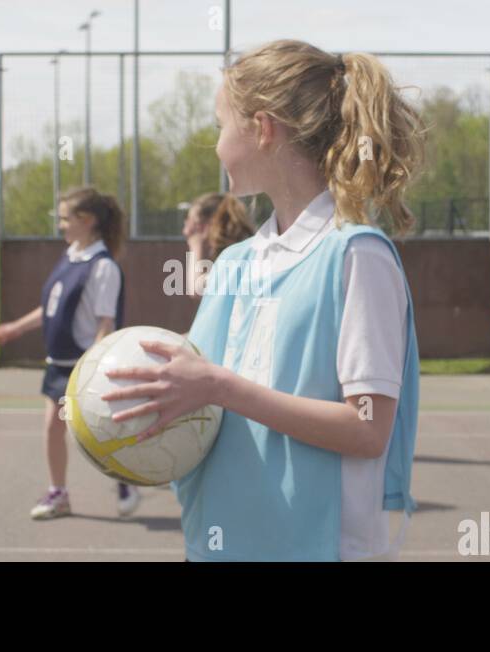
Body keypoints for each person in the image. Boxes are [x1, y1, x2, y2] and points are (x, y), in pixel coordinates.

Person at [103, 40, 423, 561]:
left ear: (263, 128)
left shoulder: (355, 256)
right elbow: (203, 398)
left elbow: (366, 430)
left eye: (219, 127)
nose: (216, 145)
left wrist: (219, 385)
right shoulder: (236, 263)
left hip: (311, 549)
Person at [0, 187, 139, 517]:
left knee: (99, 433)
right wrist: (14, 329)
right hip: (57, 363)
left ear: (87, 221)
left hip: (84, 364)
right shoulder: (70, 255)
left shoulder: (103, 267)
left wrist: (96, 368)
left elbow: (106, 323)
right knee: (53, 428)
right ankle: (59, 493)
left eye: (64, 218)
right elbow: (50, 308)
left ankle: (127, 478)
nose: (60, 225)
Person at [182, 193, 255, 299]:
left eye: (190, 222)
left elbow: (197, 288)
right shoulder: (240, 251)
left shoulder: (236, 255)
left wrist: (196, 244)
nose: (185, 231)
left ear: (203, 228)